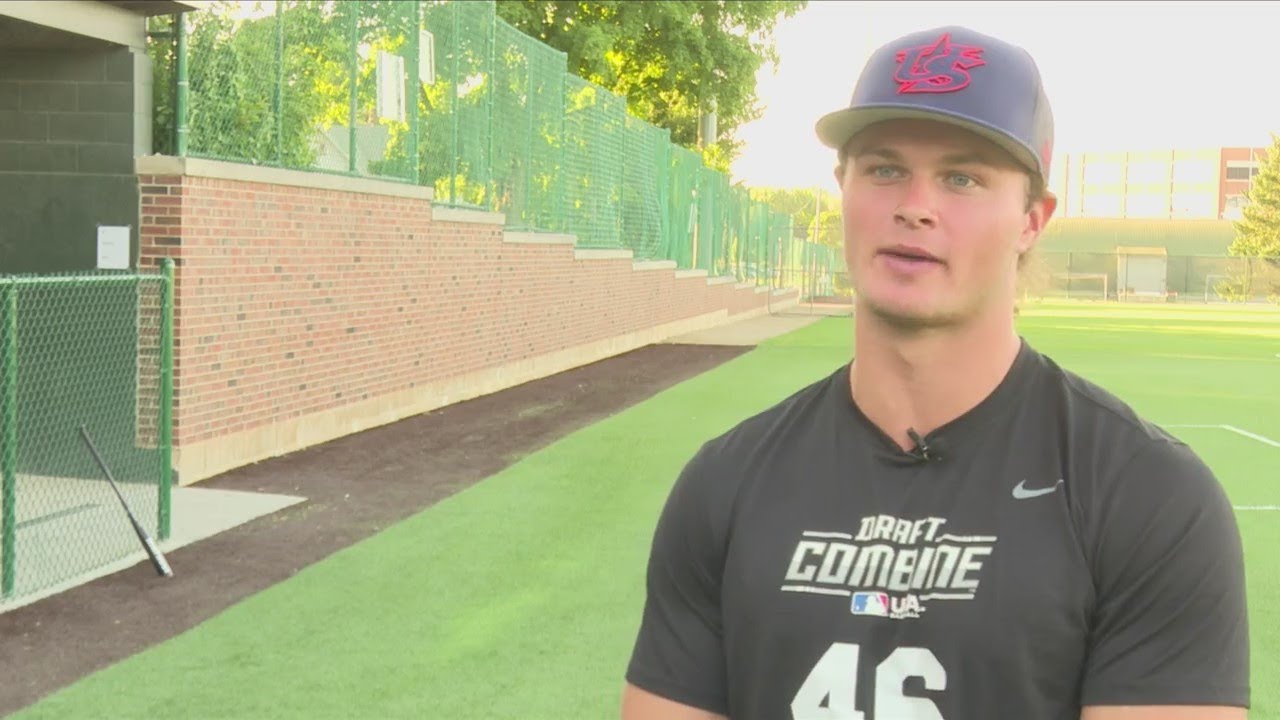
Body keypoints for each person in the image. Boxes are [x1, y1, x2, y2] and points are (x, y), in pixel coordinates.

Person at [620, 24, 1250, 720]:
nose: (915, 206)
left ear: (1032, 221)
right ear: (844, 191)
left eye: (962, 177)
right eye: (885, 168)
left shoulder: (1150, 498)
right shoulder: (726, 483)